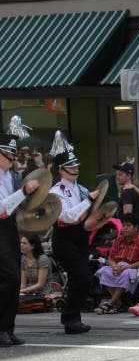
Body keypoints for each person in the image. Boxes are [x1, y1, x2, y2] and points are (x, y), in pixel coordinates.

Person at [49, 130, 100, 334]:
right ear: (62, 170)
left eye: (76, 164)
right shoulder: (56, 192)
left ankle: (73, 318)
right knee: (82, 276)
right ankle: (70, 317)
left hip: (80, 237)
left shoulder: (82, 188)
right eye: (71, 166)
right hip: (64, 238)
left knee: (81, 278)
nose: (75, 168)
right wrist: (88, 201)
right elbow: (67, 217)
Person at [0, 128, 40, 346]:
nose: (12, 160)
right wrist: (23, 192)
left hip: (9, 226)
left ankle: (7, 328)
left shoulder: (10, 176)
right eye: (9, 156)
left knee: (13, 277)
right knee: (10, 277)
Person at [93, 213, 139, 314]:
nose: (124, 228)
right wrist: (114, 266)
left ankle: (110, 304)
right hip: (119, 266)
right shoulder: (119, 239)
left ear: (136, 228)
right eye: (124, 225)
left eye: (128, 226)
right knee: (103, 271)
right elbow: (111, 258)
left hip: (135, 269)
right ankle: (119, 303)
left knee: (125, 273)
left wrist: (125, 267)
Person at [19, 234, 54, 301]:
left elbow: (40, 284)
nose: (21, 245)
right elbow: (23, 284)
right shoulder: (23, 260)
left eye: (24, 243)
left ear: (33, 246)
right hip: (29, 293)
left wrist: (22, 291)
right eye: (21, 243)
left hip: (44, 293)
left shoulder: (42, 259)